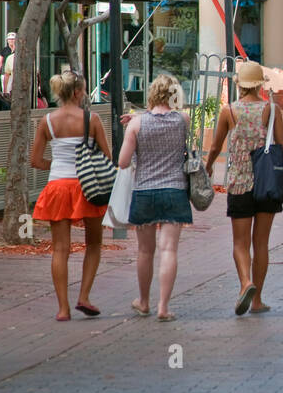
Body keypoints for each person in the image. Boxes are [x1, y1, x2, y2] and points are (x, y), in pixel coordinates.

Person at [205, 59, 283, 316]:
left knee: (240, 243)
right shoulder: (270, 110)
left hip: (239, 183)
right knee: (261, 243)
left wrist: (208, 167)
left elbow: (216, 145)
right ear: (260, 86)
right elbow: (282, 146)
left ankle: (245, 282)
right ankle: (257, 300)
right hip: (267, 183)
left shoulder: (228, 111)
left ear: (240, 85)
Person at [29, 70, 111, 321]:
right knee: (94, 244)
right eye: (84, 89)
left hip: (58, 186)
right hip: (88, 187)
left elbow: (35, 160)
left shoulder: (47, 121)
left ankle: (63, 309)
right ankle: (84, 296)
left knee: (60, 250)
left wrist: (55, 166)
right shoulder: (92, 119)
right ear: (77, 92)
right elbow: (107, 158)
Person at [119, 73, 191, 322]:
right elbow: (172, 117)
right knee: (169, 249)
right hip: (174, 190)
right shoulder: (183, 119)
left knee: (145, 251)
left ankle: (144, 301)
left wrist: (135, 122)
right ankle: (164, 306)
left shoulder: (136, 124)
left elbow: (123, 161)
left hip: (145, 191)